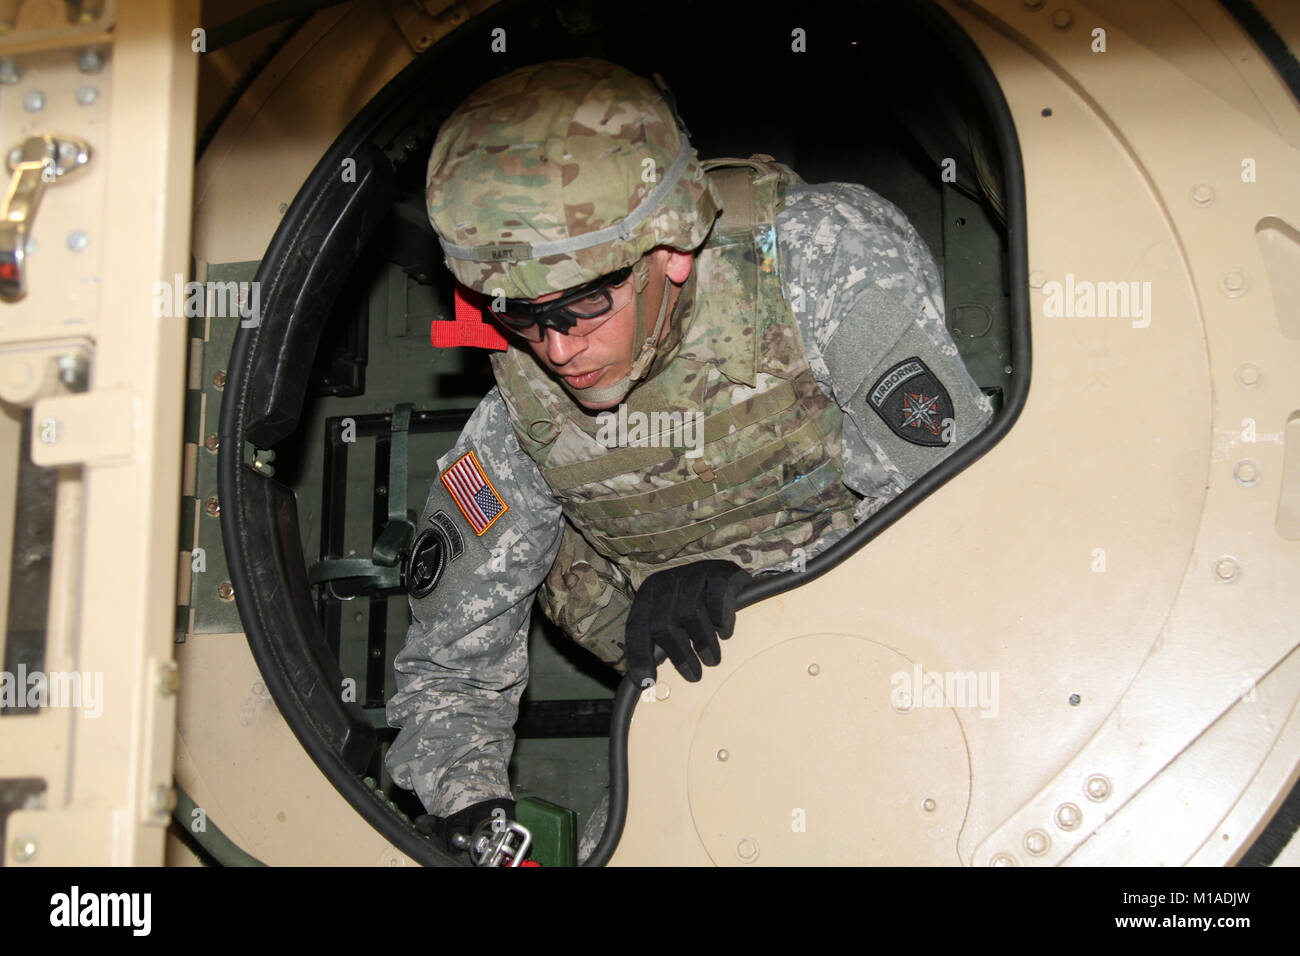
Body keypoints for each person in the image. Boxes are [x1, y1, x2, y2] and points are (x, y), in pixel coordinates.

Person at [385, 58, 993, 858]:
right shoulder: (522, 412)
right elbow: (449, 665)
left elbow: (967, 516)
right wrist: (472, 810)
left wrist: (764, 597)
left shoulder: (820, 258)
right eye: (522, 317)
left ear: (670, 250)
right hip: (699, 712)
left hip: (905, 673)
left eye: (584, 305)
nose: (558, 349)